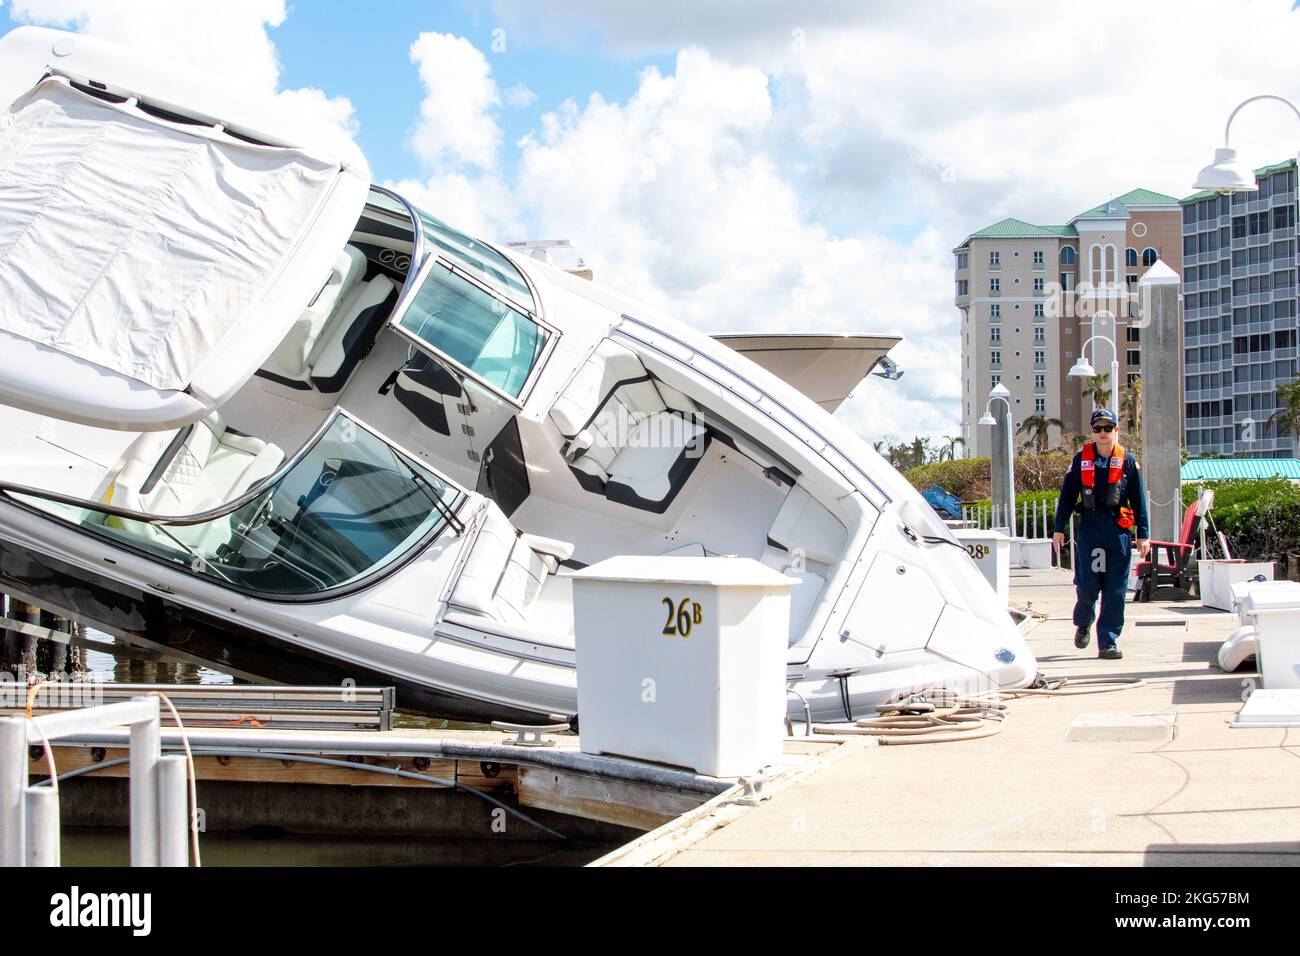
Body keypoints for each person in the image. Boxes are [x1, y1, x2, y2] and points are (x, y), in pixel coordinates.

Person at [1051, 409, 1150, 659]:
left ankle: (1108, 641)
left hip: (1118, 533)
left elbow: (1138, 500)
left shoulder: (1127, 461)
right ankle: (1083, 622)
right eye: (1098, 429)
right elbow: (1067, 497)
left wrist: (1143, 534)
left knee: (1115, 590)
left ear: (1116, 430)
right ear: (1092, 432)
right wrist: (1058, 529)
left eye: (1108, 428)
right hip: (1091, 531)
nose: (1103, 433)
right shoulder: (1080, 459)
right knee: (1087, 584)